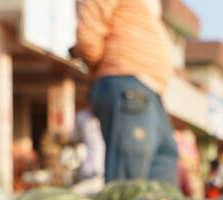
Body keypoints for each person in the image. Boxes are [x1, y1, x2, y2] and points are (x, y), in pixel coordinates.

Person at [73, 0, 178, 184]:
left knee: (165, 163)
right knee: (129, 181)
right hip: (126, 82)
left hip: (149, 89)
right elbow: (88, 39)